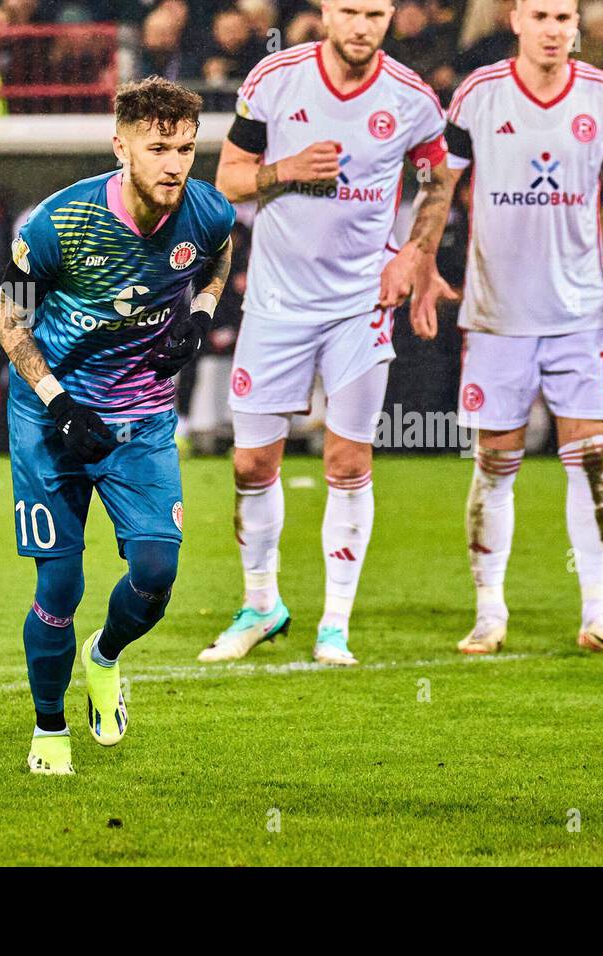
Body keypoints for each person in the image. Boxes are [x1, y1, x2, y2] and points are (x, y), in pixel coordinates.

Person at [410, 0, 603, 655]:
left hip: (579, 315)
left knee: (591, 463)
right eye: (542, 16)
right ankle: (489, 614)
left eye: (564, 17)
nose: (554, 29)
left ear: (575, 25)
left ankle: (598, 615)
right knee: (496, 465)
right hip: (497, 316)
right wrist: (422, 261)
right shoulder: (480, 94)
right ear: (517, 20)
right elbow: (440, 184)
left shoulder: (601, 94)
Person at [0, 77, 235, 775]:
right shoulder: (60, 223)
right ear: (120, 147)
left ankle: (103, 658)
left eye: (186, 148)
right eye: (158, 148)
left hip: (144, 419)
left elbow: (221, 254)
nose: (175, 164)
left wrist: (200, 316)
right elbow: (8, 315)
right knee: (59, 588)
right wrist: (57, 402)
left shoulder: (207, 212)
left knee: (157, 572)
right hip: (51, 419)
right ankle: (49, 731)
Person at [203, 0, 451, 666]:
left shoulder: (411, 98)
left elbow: (439, 181)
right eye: (349, 10)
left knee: (348, 461)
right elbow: (227, 180)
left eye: (375, 13)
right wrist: (283, 170)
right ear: (325, 11)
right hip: (276, 301)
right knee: (252, 464)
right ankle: (262, 606)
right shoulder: (274, 79)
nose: (362, 26)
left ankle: (334, 624)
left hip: (359, 302)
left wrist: (414, 255)